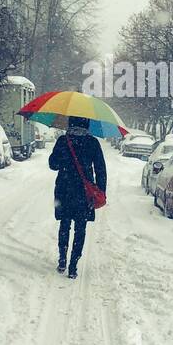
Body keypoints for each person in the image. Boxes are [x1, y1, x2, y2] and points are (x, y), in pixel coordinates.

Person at [48, 115, 107, 278]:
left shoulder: (63, 141)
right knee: (80, 228)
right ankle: (73, 265)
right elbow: (101, 169)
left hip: (64, 190)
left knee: (64, 224)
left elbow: (53, 165)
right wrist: (101, 191)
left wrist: (62, 158)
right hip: (84, 194)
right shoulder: (93, 142)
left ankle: (62, 258)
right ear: (87, 123)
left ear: (70, 122)